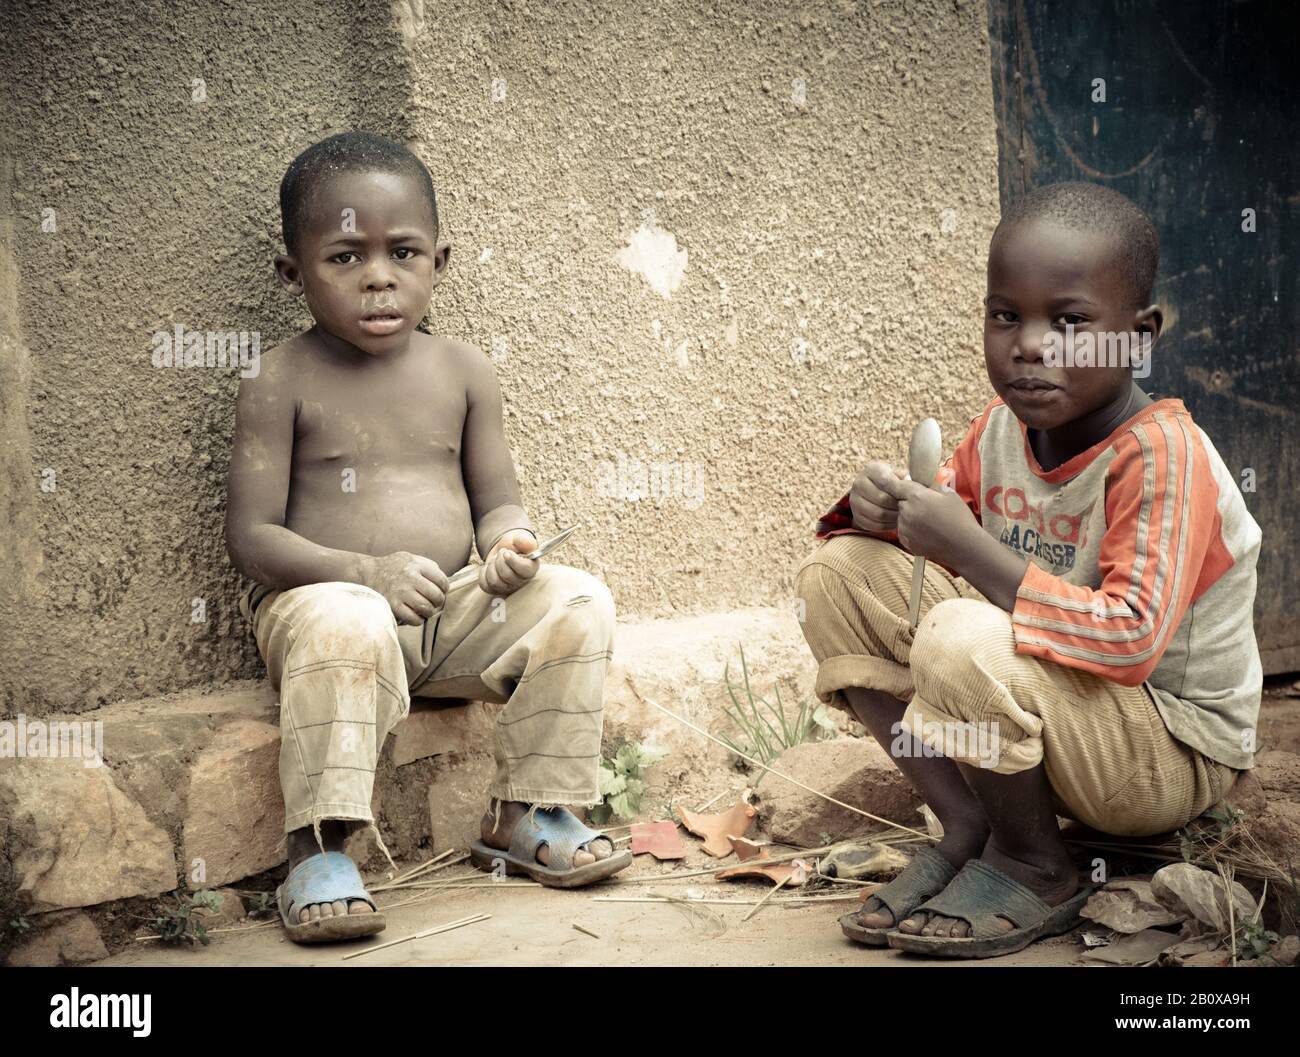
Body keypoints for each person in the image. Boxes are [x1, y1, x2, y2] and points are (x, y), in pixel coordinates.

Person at [794, 182, 1261, 958]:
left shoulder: (1163, 455)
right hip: (1071, 718)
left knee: (958, 633)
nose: (1031, 344)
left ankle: (1037, 863)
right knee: (835, 577)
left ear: (1138, 338)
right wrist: (880, 510)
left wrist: (969, 548)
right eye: (1006, 315)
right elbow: (925, 533)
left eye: (1070, 322)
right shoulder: (1002, 431)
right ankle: (971, 823)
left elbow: (1130, 640)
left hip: (1166, 753)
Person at [225, 131, 629, 944]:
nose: (378, 276)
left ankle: (531, 813)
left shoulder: (464, 372)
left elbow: (498, 505)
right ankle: (319, 848)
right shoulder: (281, 378)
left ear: (439, 262)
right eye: (344, 257)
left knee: (579, 598)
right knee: (350, 617)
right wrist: (363, 571)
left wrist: (511, 548)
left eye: (402, 252)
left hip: (445, 611)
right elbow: (250, 537)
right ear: (290, 271)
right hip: (327, 615)